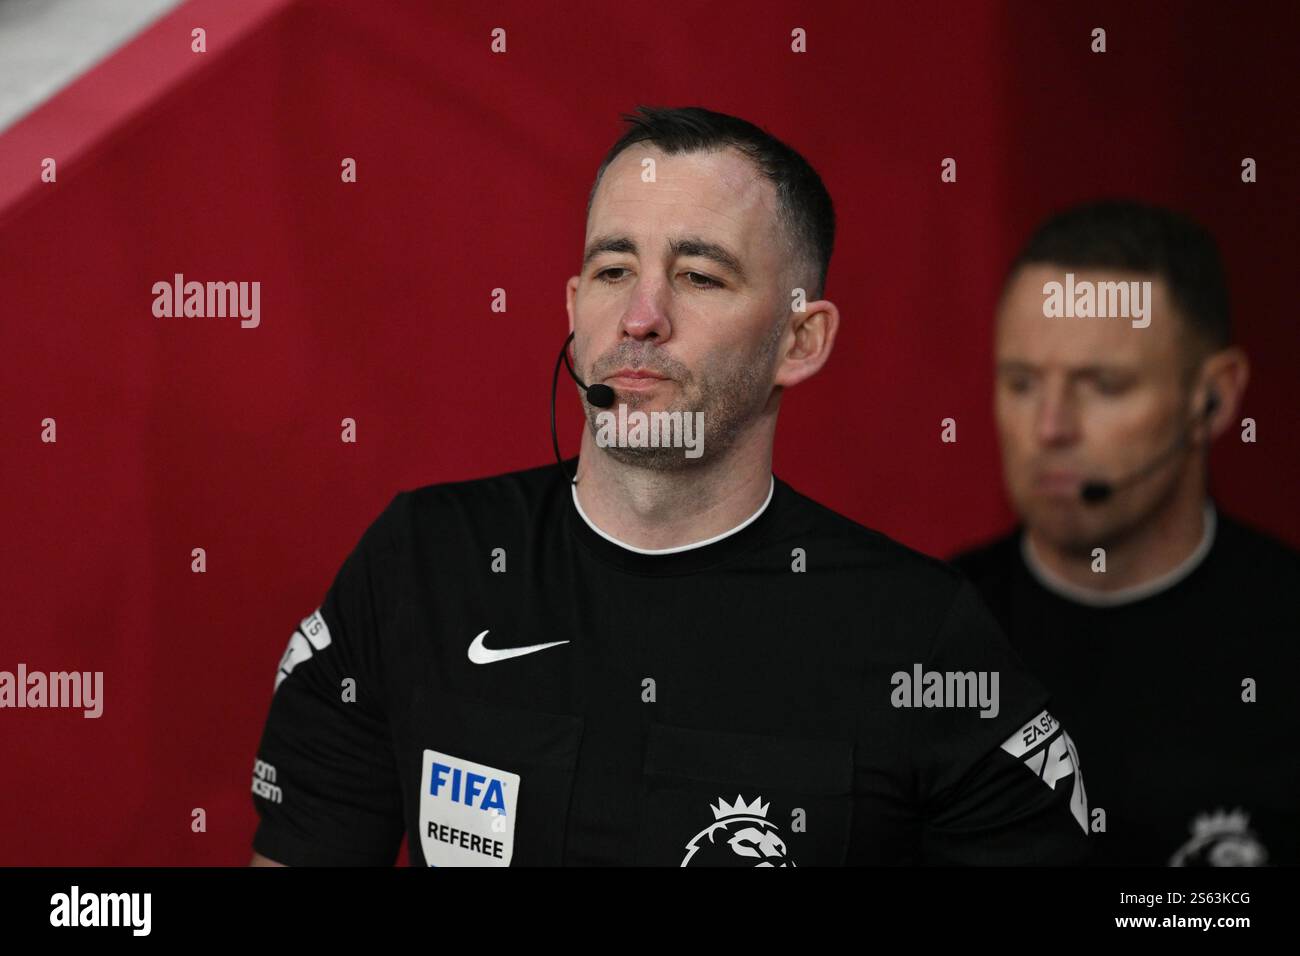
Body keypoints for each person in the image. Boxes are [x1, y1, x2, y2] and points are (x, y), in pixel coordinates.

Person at [249, 105, 1089, 866]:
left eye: (699, 275)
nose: (642, 316)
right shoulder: (421, 567)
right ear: (575, 312)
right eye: (615, 270)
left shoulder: (921, 637)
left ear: (801, 341)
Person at [952, 199, 1300, 866]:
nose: (1049, 428)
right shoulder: (921, 636)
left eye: (1103, 385)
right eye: (1021, 383)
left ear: (1215, 399)